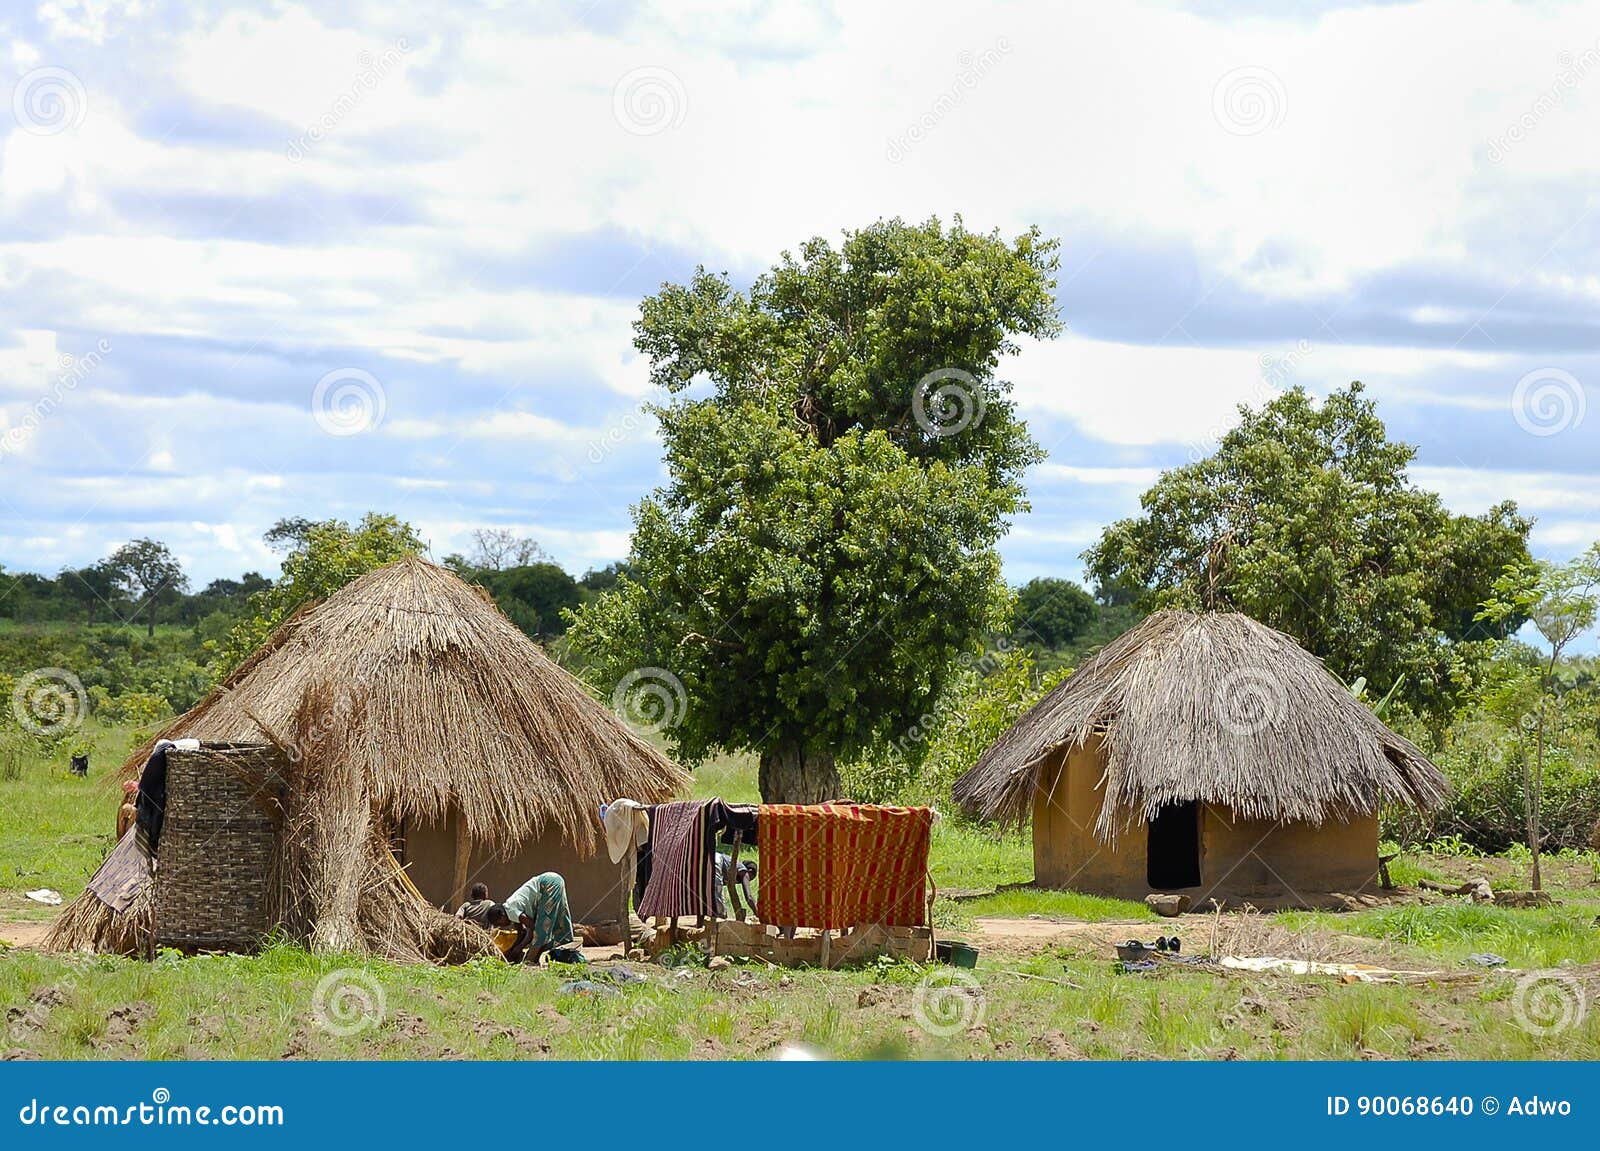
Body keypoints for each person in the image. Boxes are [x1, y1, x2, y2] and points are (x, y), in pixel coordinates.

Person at [487, 872, 579, 965]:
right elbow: (521, 933)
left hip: (548, 884)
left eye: (499, 923)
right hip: (554, 879)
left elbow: (533, 927)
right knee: (556, 919)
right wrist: (512, 949)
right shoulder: (511, 909)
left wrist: (519, 948)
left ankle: (531, 960)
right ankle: (537, 957)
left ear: (501, 915)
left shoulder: (511, 911)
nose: (501, 926)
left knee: (542, 927)